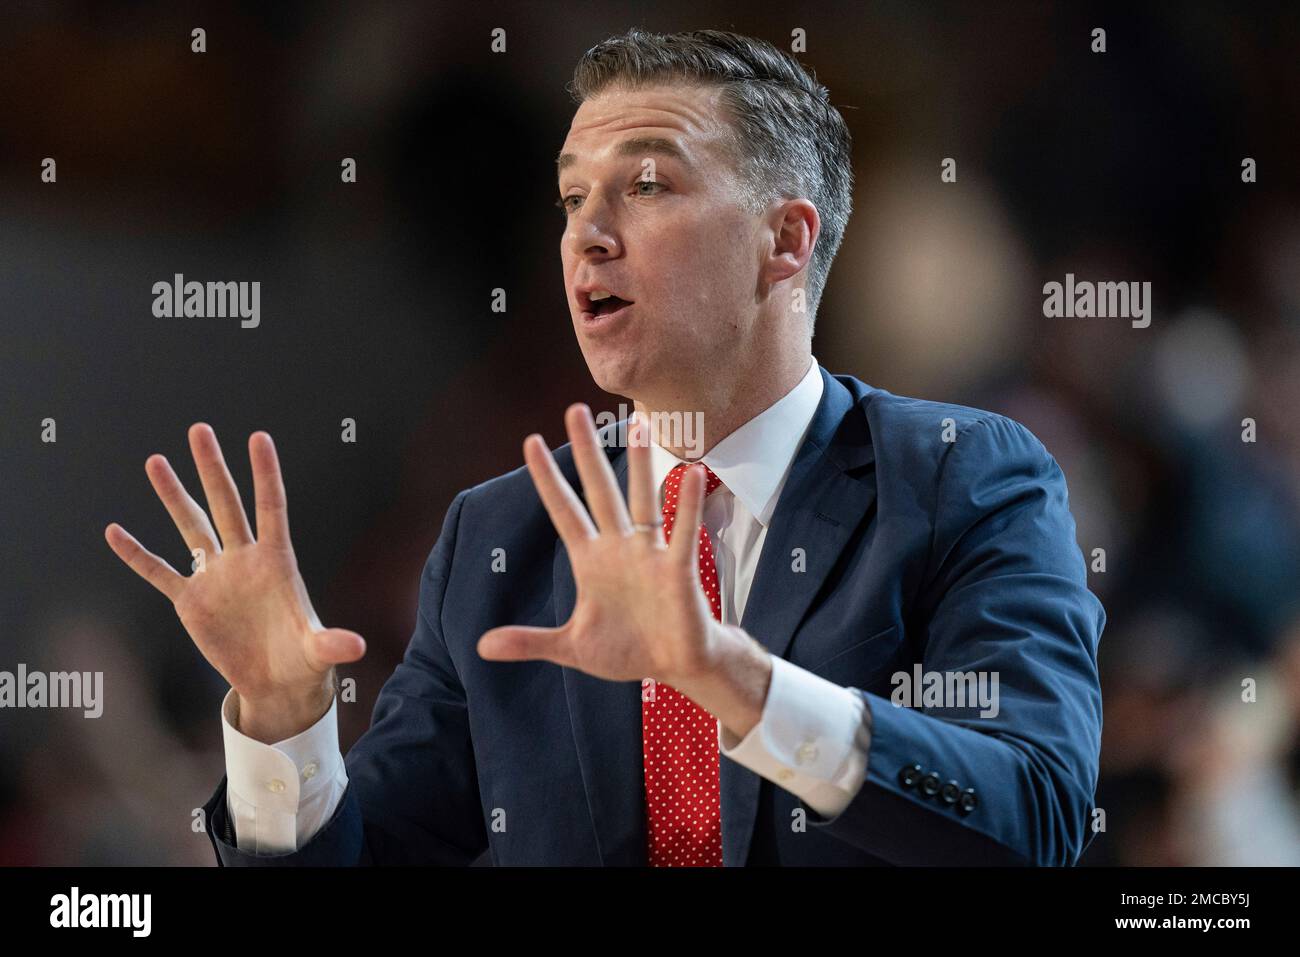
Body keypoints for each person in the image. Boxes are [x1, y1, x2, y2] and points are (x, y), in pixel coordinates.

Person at [104, 28, 1104, 866]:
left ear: (784, 241)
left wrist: (731, 679)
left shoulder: (964, 478)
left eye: (649, 185)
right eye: (572, 198)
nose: (587, 234)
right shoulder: (499, 535)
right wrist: (282, 728)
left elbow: (1038, 813)